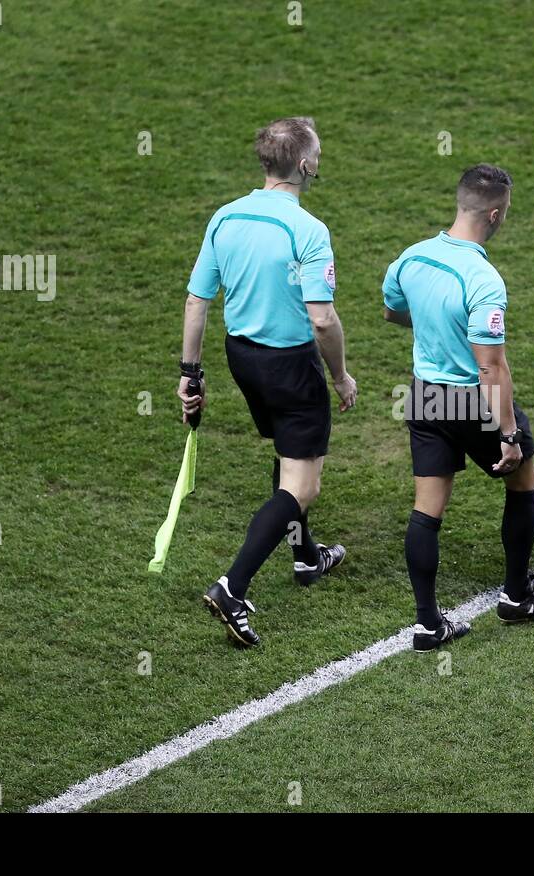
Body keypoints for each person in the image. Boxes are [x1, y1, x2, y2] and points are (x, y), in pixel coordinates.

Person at [177, 116, 357, 648]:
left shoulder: (225, 217)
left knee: (287, 447)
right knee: (302, 484)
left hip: (242, 358)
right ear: (303, 165)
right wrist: (341, 377)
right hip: (289, 364)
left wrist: (190, 374)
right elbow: (322, 319)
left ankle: (305, 557)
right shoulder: (308, 230)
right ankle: (232, 586)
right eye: (318, 154)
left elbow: (197, 301)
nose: (320, 160)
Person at [382, 164, 534, 653]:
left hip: (425, 396)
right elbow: (490, 368)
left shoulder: (412, 257)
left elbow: (393, 310)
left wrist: (433, 328)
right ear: (496, 213)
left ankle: (427, 624)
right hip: (470, 400)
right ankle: (517, 596)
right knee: (523, 478)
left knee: (427, 508)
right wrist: (507, 434)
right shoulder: (484, 279)